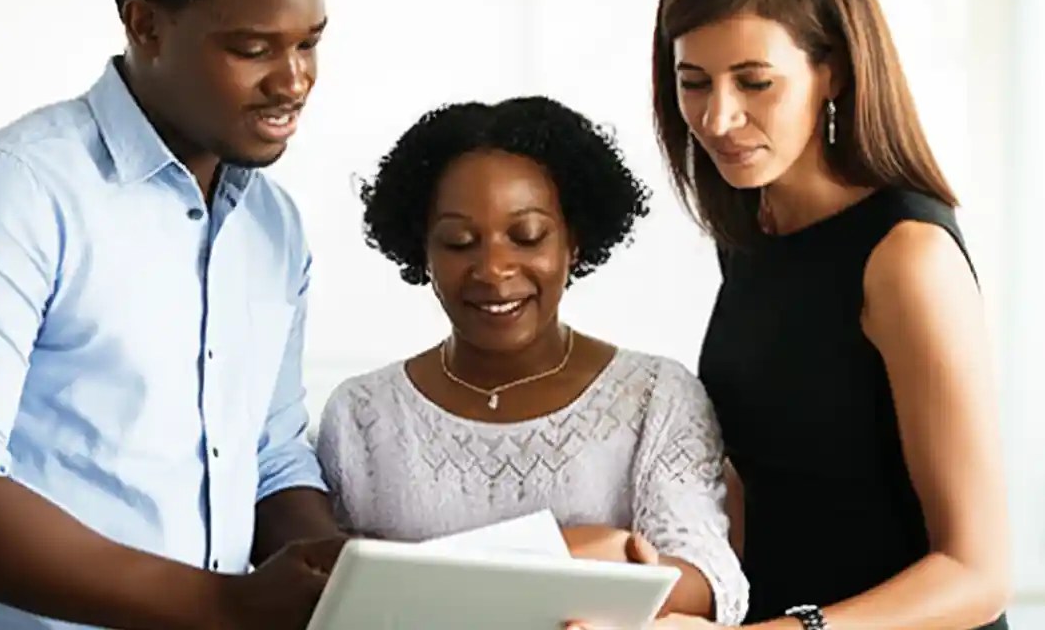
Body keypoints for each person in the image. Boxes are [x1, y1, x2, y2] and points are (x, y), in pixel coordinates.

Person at [0, 0, 344, 628]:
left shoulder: (273, 224)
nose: (294, 79)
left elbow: (270, 456)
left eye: (309, 42)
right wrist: (224, 606)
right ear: (145, 25)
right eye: (252, 48)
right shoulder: (10, 190)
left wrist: (343, 577)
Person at [645, 0, 1011, 630]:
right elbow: (772, 497)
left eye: (755, 83)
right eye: (694, 83)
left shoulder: (907, 256)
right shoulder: (754, 235)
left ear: (833, 71)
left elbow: (978, 575)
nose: (719, 119)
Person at [315, 97, 750, 625]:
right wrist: (565, 555)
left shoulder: (654, 395)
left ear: (574, 242)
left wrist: (583, 562)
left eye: (527, 237)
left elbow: (712, 583)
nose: (494, 269)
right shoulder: (361, 413)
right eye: (458, 243)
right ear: (422, 251)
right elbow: (341, 597)